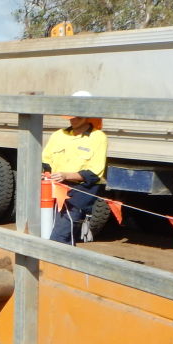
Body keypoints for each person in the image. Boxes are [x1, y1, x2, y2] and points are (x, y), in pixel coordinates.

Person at [42, 91, 107, 244]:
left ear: (87, 116)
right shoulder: (58, 135)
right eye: (71, 116)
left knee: (60, 235)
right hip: (53, 190)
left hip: (78, 194)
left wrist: (66, 175)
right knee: (46, 230)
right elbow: (46, 161)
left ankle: (61, 265)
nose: (73, 120)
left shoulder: (98, 138)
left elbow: (94, 173)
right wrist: (46, 174)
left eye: (77, 117)